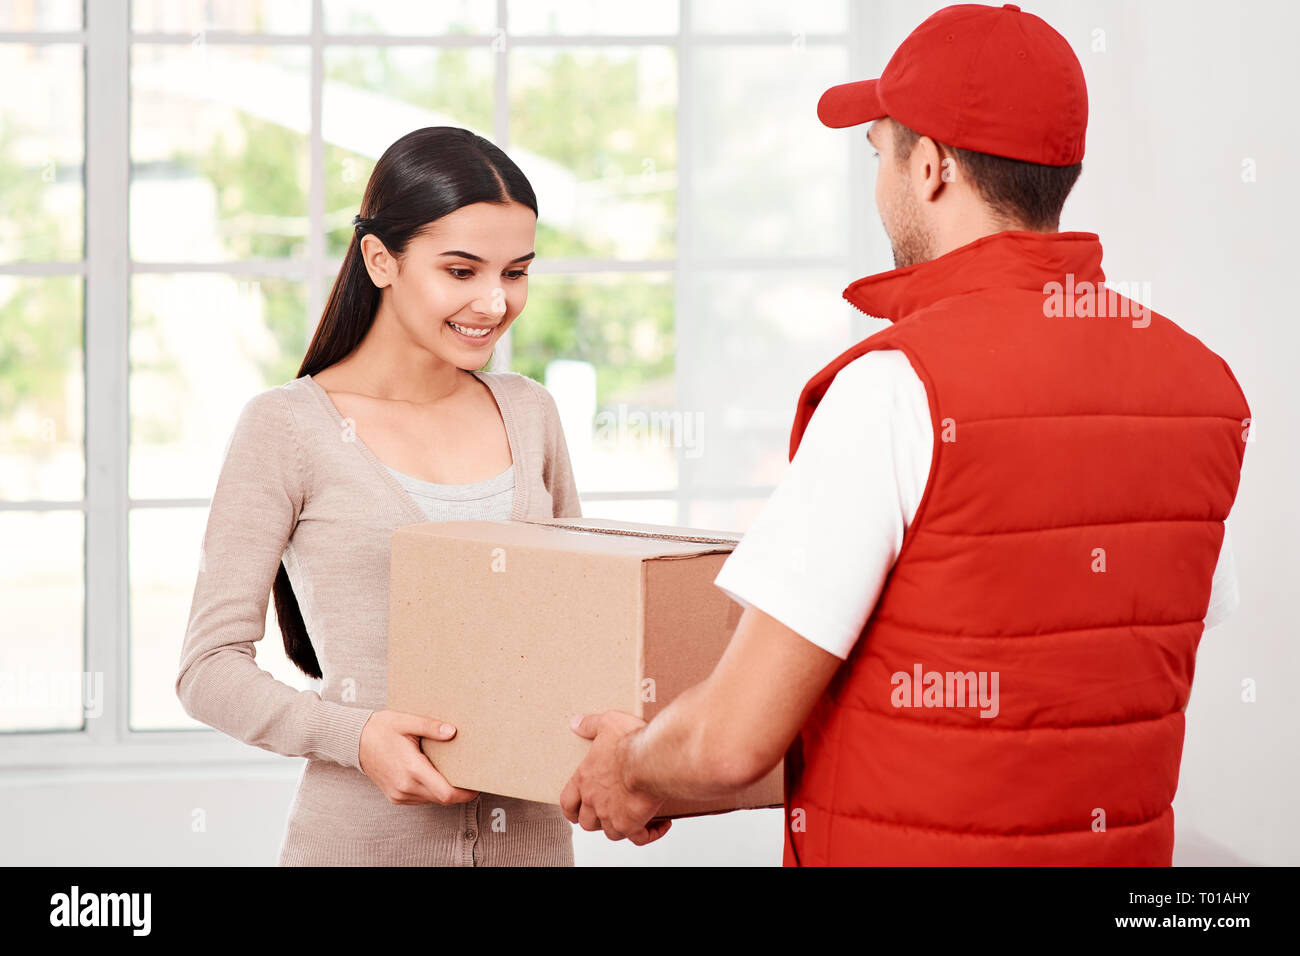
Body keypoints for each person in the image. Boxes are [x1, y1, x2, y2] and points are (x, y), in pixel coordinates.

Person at [561, 2, 1251, 865]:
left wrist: (626, 764)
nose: (879, 182)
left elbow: (731, 741)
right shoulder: (1200, 386)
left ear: (930, 167)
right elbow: (1113, 643)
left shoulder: (896, 388)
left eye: (879, 153)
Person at [176, 126, 583, 866]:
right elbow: (207, 668)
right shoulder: (287, 428)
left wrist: (633, 766)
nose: (494, 302)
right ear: (380, 259)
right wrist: (356, 737)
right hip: (356, 846)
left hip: (532, 846)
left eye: (516, 272)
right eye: (461, 271)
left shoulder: (530, 413)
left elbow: (579, 637)